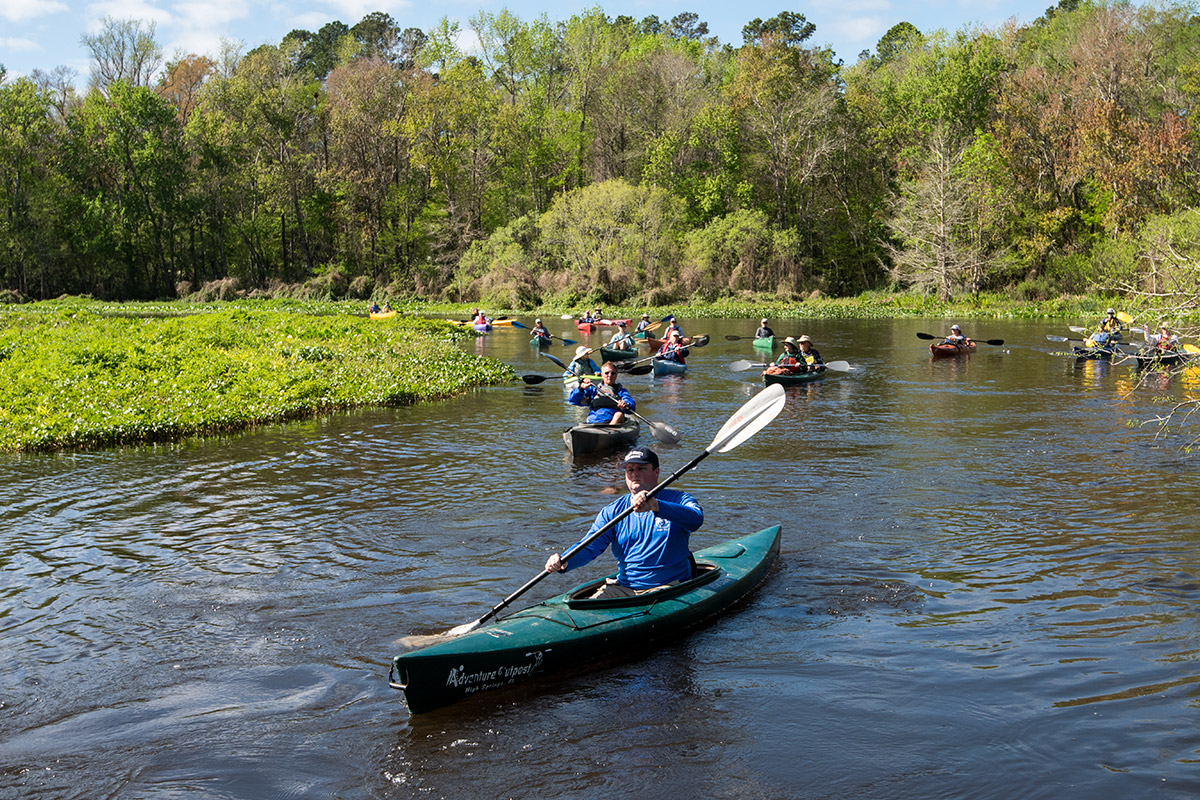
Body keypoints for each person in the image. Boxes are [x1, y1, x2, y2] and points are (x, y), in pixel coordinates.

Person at [544, 447, 703, 599]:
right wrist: (565, 560)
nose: (634, 474)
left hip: (669, 586)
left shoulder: (680, 499)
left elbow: (695, 519)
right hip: (625, 587)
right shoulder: (612, 511)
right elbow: (590, 546)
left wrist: (656, 506)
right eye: (630, 470)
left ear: (656, 472)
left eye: (641, 469)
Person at [568, 362, 634, 425]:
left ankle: (609, 431)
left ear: (616, 375)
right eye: (607, 373)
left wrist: (626, 405)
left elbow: (631, 406)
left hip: (613, 422)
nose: (610, 375)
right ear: (602, 374)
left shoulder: (621, 391)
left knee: (619, 414)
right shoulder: (593, 389)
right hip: (594, 421)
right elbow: (573, 400)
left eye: (613, 373)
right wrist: (581, 388)